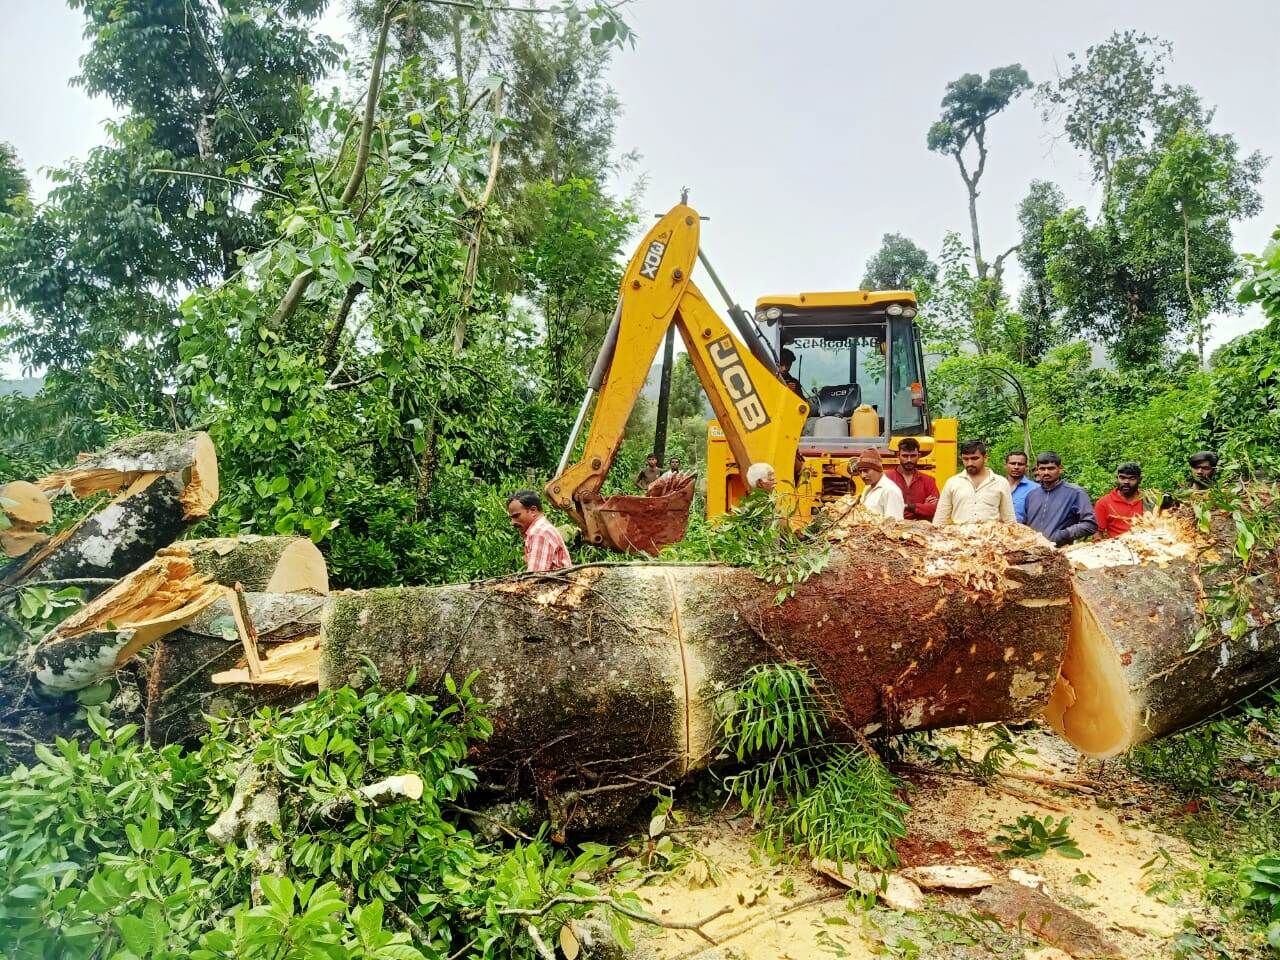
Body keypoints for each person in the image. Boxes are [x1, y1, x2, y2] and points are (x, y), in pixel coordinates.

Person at [933, 440, 1016, 525]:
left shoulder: (1000, 482)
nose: (970, 463)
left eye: (974, 458)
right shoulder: (952, 483)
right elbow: (940, 519)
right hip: (958, 536)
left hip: (990, 536)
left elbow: (1009, 519)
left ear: (985, 458)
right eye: (966, 459)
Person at [1024, 452, 1097, 546]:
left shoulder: (1075, 493)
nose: (1046, 472)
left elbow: (1090, 525)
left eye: (1051, 468)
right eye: (1042, 469)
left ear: (1060, 469)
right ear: (1037, 470)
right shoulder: (1031, 495)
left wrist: (1062, 535)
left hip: (1060, 552)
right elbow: (1025, 525)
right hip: (1032, 553)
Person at [507, 489, 571, 572]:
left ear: (533, 510)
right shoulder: (542, 529)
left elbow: (535, 578)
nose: (512, 522)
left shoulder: (539, 533)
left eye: (516, 516)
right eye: (511, 518)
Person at [887, 437, 938, 521]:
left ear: (919, 456)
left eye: (913, 456)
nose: (909, 460)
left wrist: (907, 506)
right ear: (898, 455)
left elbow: (934, 509)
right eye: (905, 456)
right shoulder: (887, 478)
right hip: (892, 529)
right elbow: (881, 507)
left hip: (921, 530)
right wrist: (922, 507)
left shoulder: (929, 481)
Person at [1094, 462, 1145, 538]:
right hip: (1117, 546)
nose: (1126, 482)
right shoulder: (1104, 503)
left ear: (1139, 480)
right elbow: (1097, 533)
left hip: (1147, 544)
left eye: (1132, 478)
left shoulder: (1148, 500)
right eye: (1122, 478)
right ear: (1117, 478)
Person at [855, 448, 905, 520]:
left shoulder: (890, 491)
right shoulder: (867, 488)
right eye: (860, 471)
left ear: (878, 469)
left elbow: (894, 525)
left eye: (866, 470)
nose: (863, 475)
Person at [1004, 451, 1036, 523]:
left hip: (1024, 531)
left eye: (1020, 464)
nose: (1016, 467)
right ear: (1005, 465)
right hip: (997, 531)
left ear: (1026, 467)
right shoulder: (996, 486)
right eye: (1012, 463)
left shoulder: (1035, 489)